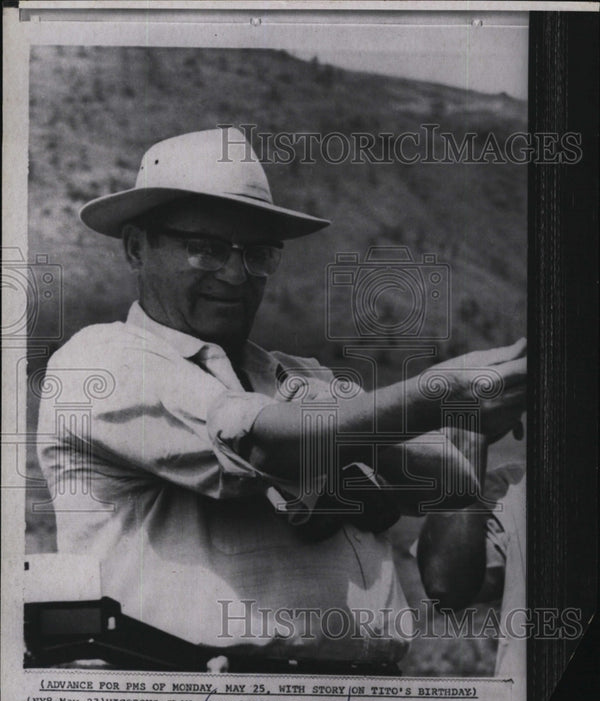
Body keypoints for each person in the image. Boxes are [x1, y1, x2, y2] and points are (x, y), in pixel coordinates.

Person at [36, 128, 526, 673]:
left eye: (258, 254)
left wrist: (356, 438)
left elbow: (447, 479)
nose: (235, 274)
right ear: (136, 247)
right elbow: (266, 448)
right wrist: (418, 409)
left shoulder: (294, 375)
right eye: (206, 249)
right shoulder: (103, 361)